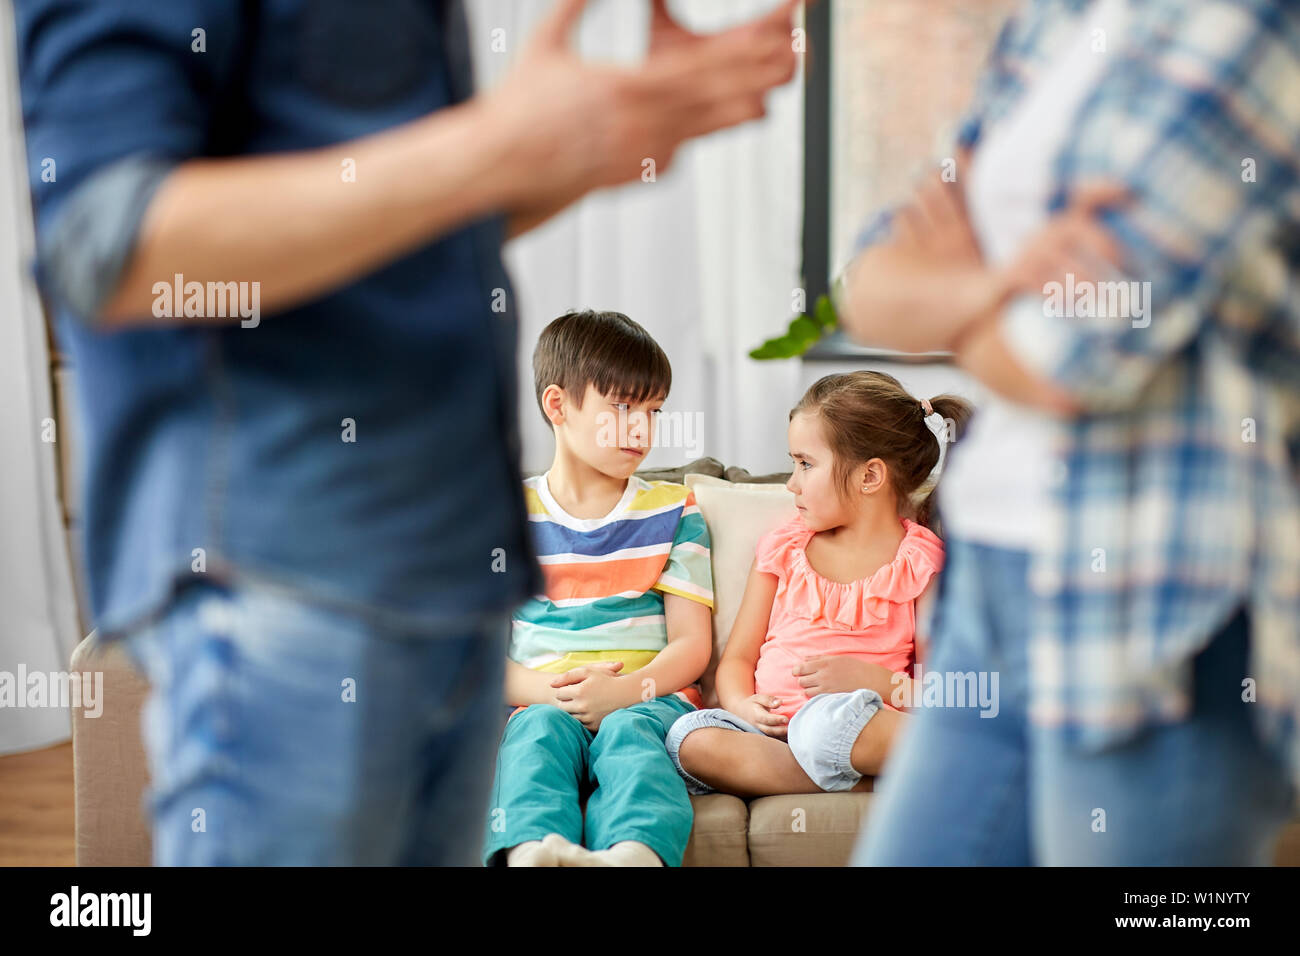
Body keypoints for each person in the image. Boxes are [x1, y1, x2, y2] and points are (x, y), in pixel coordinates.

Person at [13, 0, 799, 865]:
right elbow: (105, 242)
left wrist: (571, 151)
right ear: (558, 406)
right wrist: (496, 145)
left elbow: (389, 228)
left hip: (451, 569)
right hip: (290, 567)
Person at [838, 0, 1300, 864]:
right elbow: (867, 279)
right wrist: (1005, 285)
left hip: (1164, 602)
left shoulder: (1252, 23)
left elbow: (1073, 355)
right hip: (993, 575)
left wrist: (962, 285)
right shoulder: (1058, 18)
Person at [665, 371, 970, 798]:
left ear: (869, 477)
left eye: (805, 464)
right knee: (689, 737)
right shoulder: (783, 549)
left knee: (826, 727)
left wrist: (875, 681)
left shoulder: (919, 562)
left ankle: (876, 762)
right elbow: (737, 658)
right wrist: (740, 703)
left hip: (853, 722)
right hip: (771, 736)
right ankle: (861, 782)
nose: (791, 483)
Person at [482, 310, 714, 867]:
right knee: (534, 738)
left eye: (652, 411)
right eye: (621, 408)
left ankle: (630, 857)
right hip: (543, 699)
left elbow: (691, 646)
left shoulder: (675, 511)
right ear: (557, 406)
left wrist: (625, 693)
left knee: (633, 740)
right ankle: (531, 853)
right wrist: (561, 697)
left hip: (645, 699)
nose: (641, 429)